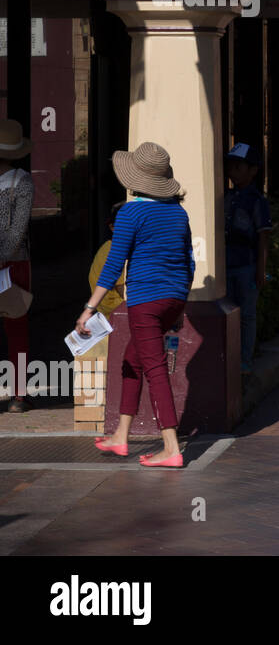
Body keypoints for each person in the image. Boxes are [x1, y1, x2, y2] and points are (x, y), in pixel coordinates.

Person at [77, 142, 195, 468]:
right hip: (174, 298)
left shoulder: (131, 212)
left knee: (155, 370)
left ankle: (171, 447)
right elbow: (189, 261)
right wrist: (180, 305)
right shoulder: (178, 212)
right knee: (132, 362)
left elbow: (113, 265)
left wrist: (89, 308)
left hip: (145, 301)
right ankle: (120, 436)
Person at [224, 143, 272, 376]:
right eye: (230, 166)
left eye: (239, 166)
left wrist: (260, 270)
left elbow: (263, 237)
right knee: (228, 315)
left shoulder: (257, 201)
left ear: (253, 170)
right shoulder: (225, 196)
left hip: (246, 266)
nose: (233, 171)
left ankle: (245, 362)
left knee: (246, 316)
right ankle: (228, 358)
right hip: (225, 265)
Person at [0, 120, 34, 413]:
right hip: (14, 262)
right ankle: (18, 395)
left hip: (10, 263)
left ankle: (18, 393)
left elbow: (17, 228)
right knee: (16, 328)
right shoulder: (22, 180)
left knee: (16, 326)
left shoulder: (19, 181)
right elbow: (19, 228)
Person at [88, 201, 128, 316]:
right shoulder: (115, 250)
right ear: (112, 227)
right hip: (118, 312)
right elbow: (124, 292)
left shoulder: (107, 247)